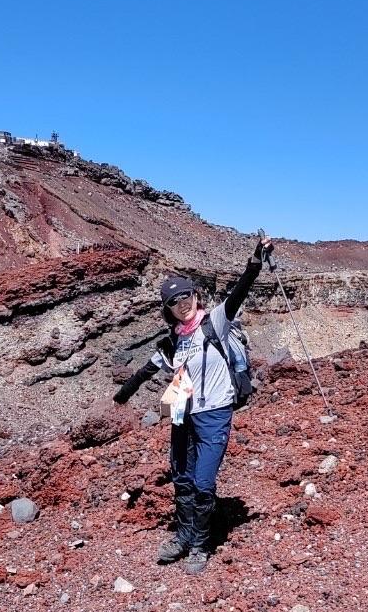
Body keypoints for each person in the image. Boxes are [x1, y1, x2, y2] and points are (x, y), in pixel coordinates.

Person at [113, 237, 273, 573]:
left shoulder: (215, 322)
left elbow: (239, 292)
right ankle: (183, 536)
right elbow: (146, 370)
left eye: (185, 295)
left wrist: (255, 261)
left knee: (202, 483)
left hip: (214, 411)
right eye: (174, 300)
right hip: (181, 411)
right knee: (182, 479)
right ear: (167, 308)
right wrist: (121, 398)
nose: (182, 303)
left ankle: (200, 544)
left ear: (195, 296)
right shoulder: (173, 341)